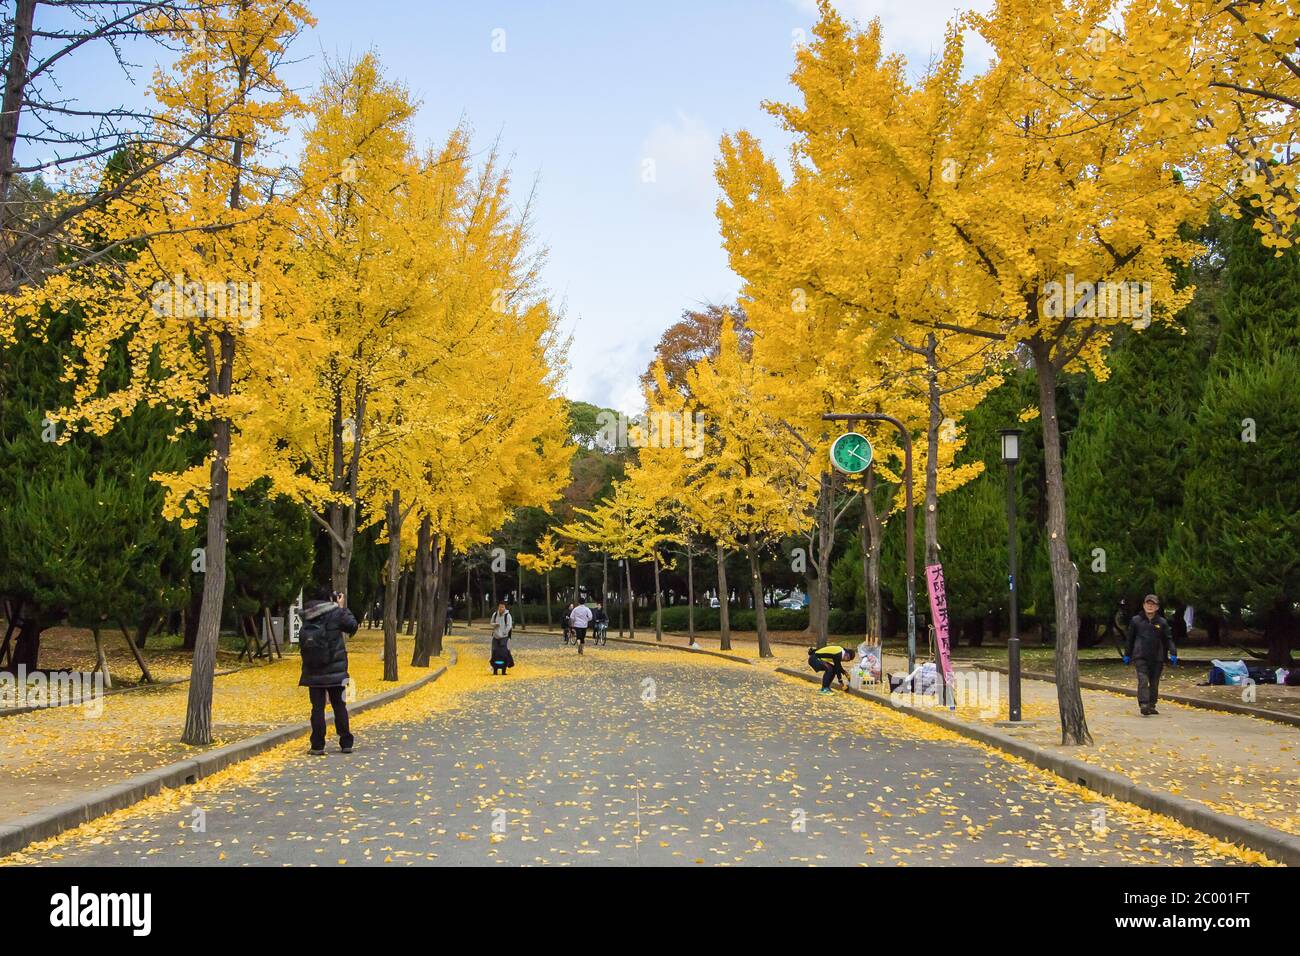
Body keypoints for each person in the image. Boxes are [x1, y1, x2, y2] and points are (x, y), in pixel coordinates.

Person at [299, 586, 358, 755]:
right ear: (329, 598)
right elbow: (352, 626)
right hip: (335, 669)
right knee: (339, 705)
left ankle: (317, 745)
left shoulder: (307, 615)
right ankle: (346, 742)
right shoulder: (336, 613)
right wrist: (341, 607)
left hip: (313, 668)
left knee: (317, 708)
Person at [1125, 593, 1178, 716]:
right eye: (1147, 604)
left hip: (1157, 656)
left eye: (1152, 604)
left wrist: (1173, 652)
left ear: (1157, 607)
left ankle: (1152, 704)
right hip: (1140, 655)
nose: (1150, 606)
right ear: (1143, 605)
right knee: (1143, 679)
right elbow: (1130, 638)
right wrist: (1127, 654)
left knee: (1154, 681)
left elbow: (1168, 638)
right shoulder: (1136, 620)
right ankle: (1143, 704)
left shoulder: (1162, 622)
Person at [489, 601, 514, 675]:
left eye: (502, 607)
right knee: (494, 652)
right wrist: (494, 625)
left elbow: (509, 626)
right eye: (500, 607)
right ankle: (495, 668)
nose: (501, 608)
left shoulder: (508, 616)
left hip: (504, 637)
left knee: (503, 653)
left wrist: (504, 633)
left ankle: (504, 669)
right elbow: (491, 623)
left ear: (505, 608)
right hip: (495, 636)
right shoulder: (495, 614)